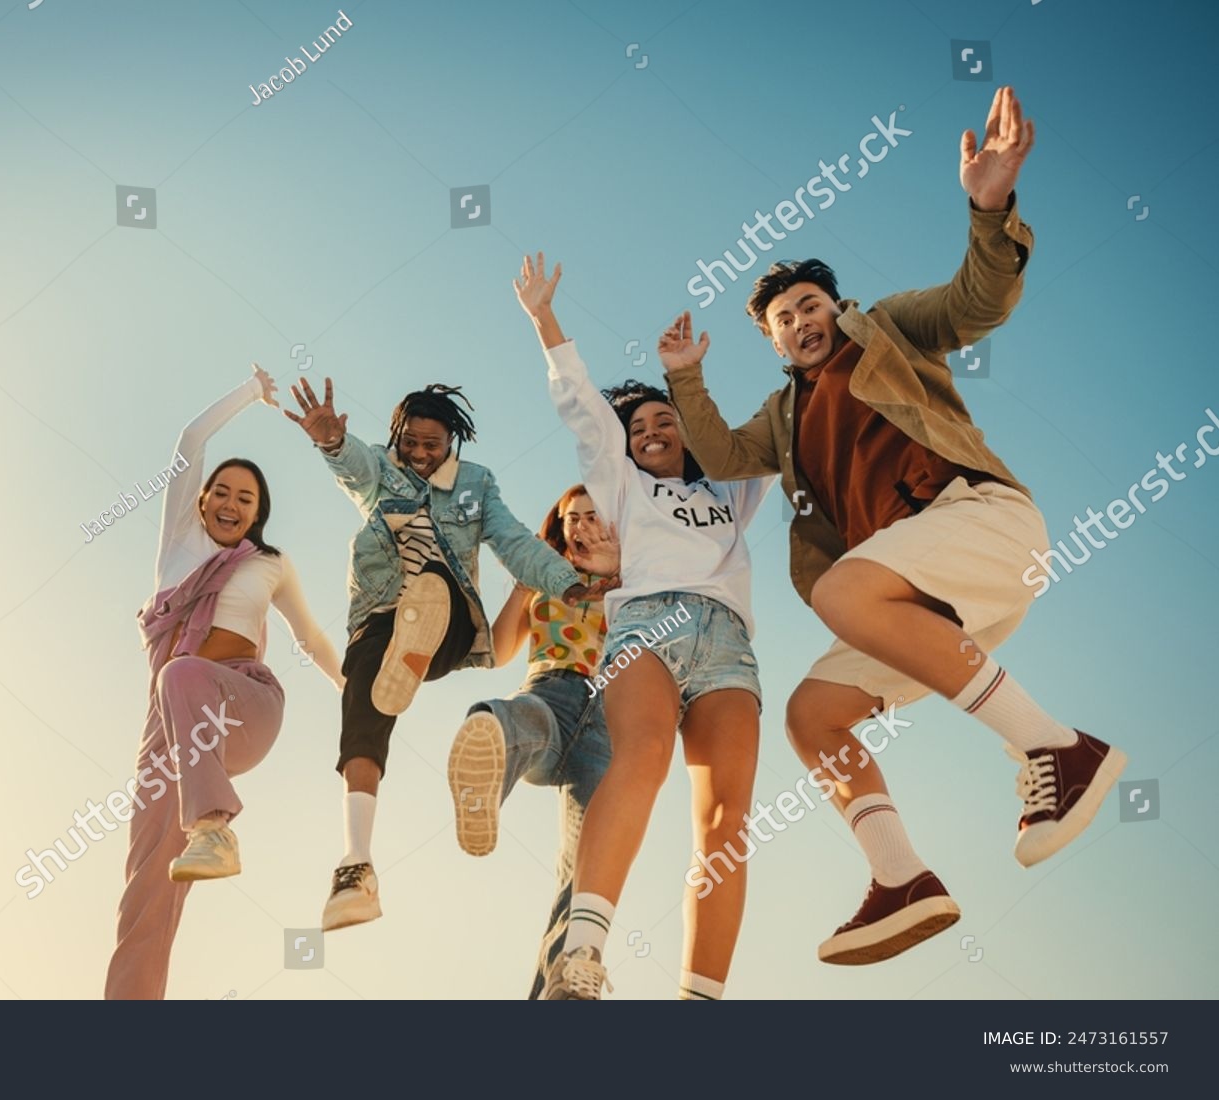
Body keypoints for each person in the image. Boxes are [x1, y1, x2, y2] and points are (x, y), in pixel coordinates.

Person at [660, 86, 1127, 966]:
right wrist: (685, 378)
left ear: (835, 309)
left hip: (979, 521)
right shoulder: (781, 418)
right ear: (769, 341)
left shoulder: (887, 333)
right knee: (813, 713)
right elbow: (720, 455)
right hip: (922, 594)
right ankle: (902, 876)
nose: (799, 321)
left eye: (808, 305)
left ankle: (1058, 748)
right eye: (780, 318)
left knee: (843, 588)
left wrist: (989, 206)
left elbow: (972, 304)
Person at [517, 253, 775, 1000]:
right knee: (645, 756)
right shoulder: (621, 485)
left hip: (729, 648)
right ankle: (581, 958)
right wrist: (544, 319)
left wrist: (694, 377)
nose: (655, 429)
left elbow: (783, 424)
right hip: (649, 633)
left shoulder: (730, 489)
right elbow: (582, 408)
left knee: (727, 821)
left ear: (691, 435)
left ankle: (699, 1000)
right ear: (626, 446)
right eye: (643, 424)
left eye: (669, 420)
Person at [284, 377, 593, 932]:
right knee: (361, 709)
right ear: (396, 437)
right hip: (379, 621)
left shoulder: (476, 484)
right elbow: (354, 466)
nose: (422, 456)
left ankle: (419, 640)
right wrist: (331, 443)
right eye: (412, 444)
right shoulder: (381, 469)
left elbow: (514, 540)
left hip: (448, 628)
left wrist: (564, 581)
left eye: (434, 446)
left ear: (452, 443)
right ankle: (356, 863)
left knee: (434, 583)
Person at [105, 364, 344, 1000]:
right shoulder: (178, 548)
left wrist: (356, 693)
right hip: (175, 731)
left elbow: (312, 640)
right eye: (221, 492)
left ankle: (216, 826)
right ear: (201, 499)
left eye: (247, 499)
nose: (231, 504)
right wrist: (250, 393)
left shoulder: (269, 565)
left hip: (244, 706)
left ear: (258, 514)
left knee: (183, 673)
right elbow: (189, 441)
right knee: (146, 888)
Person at [447, 484, 619, 998]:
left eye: (594, 516)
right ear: (559, 526)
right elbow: (499, 652)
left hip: (610, 720)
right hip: (553, 692)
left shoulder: (633, 579)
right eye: (573, 519)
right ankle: (485, 775)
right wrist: (525, 585)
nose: (583, 526)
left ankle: (562, 987)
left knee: (586, 868)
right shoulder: (543, 577)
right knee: (522, 719)